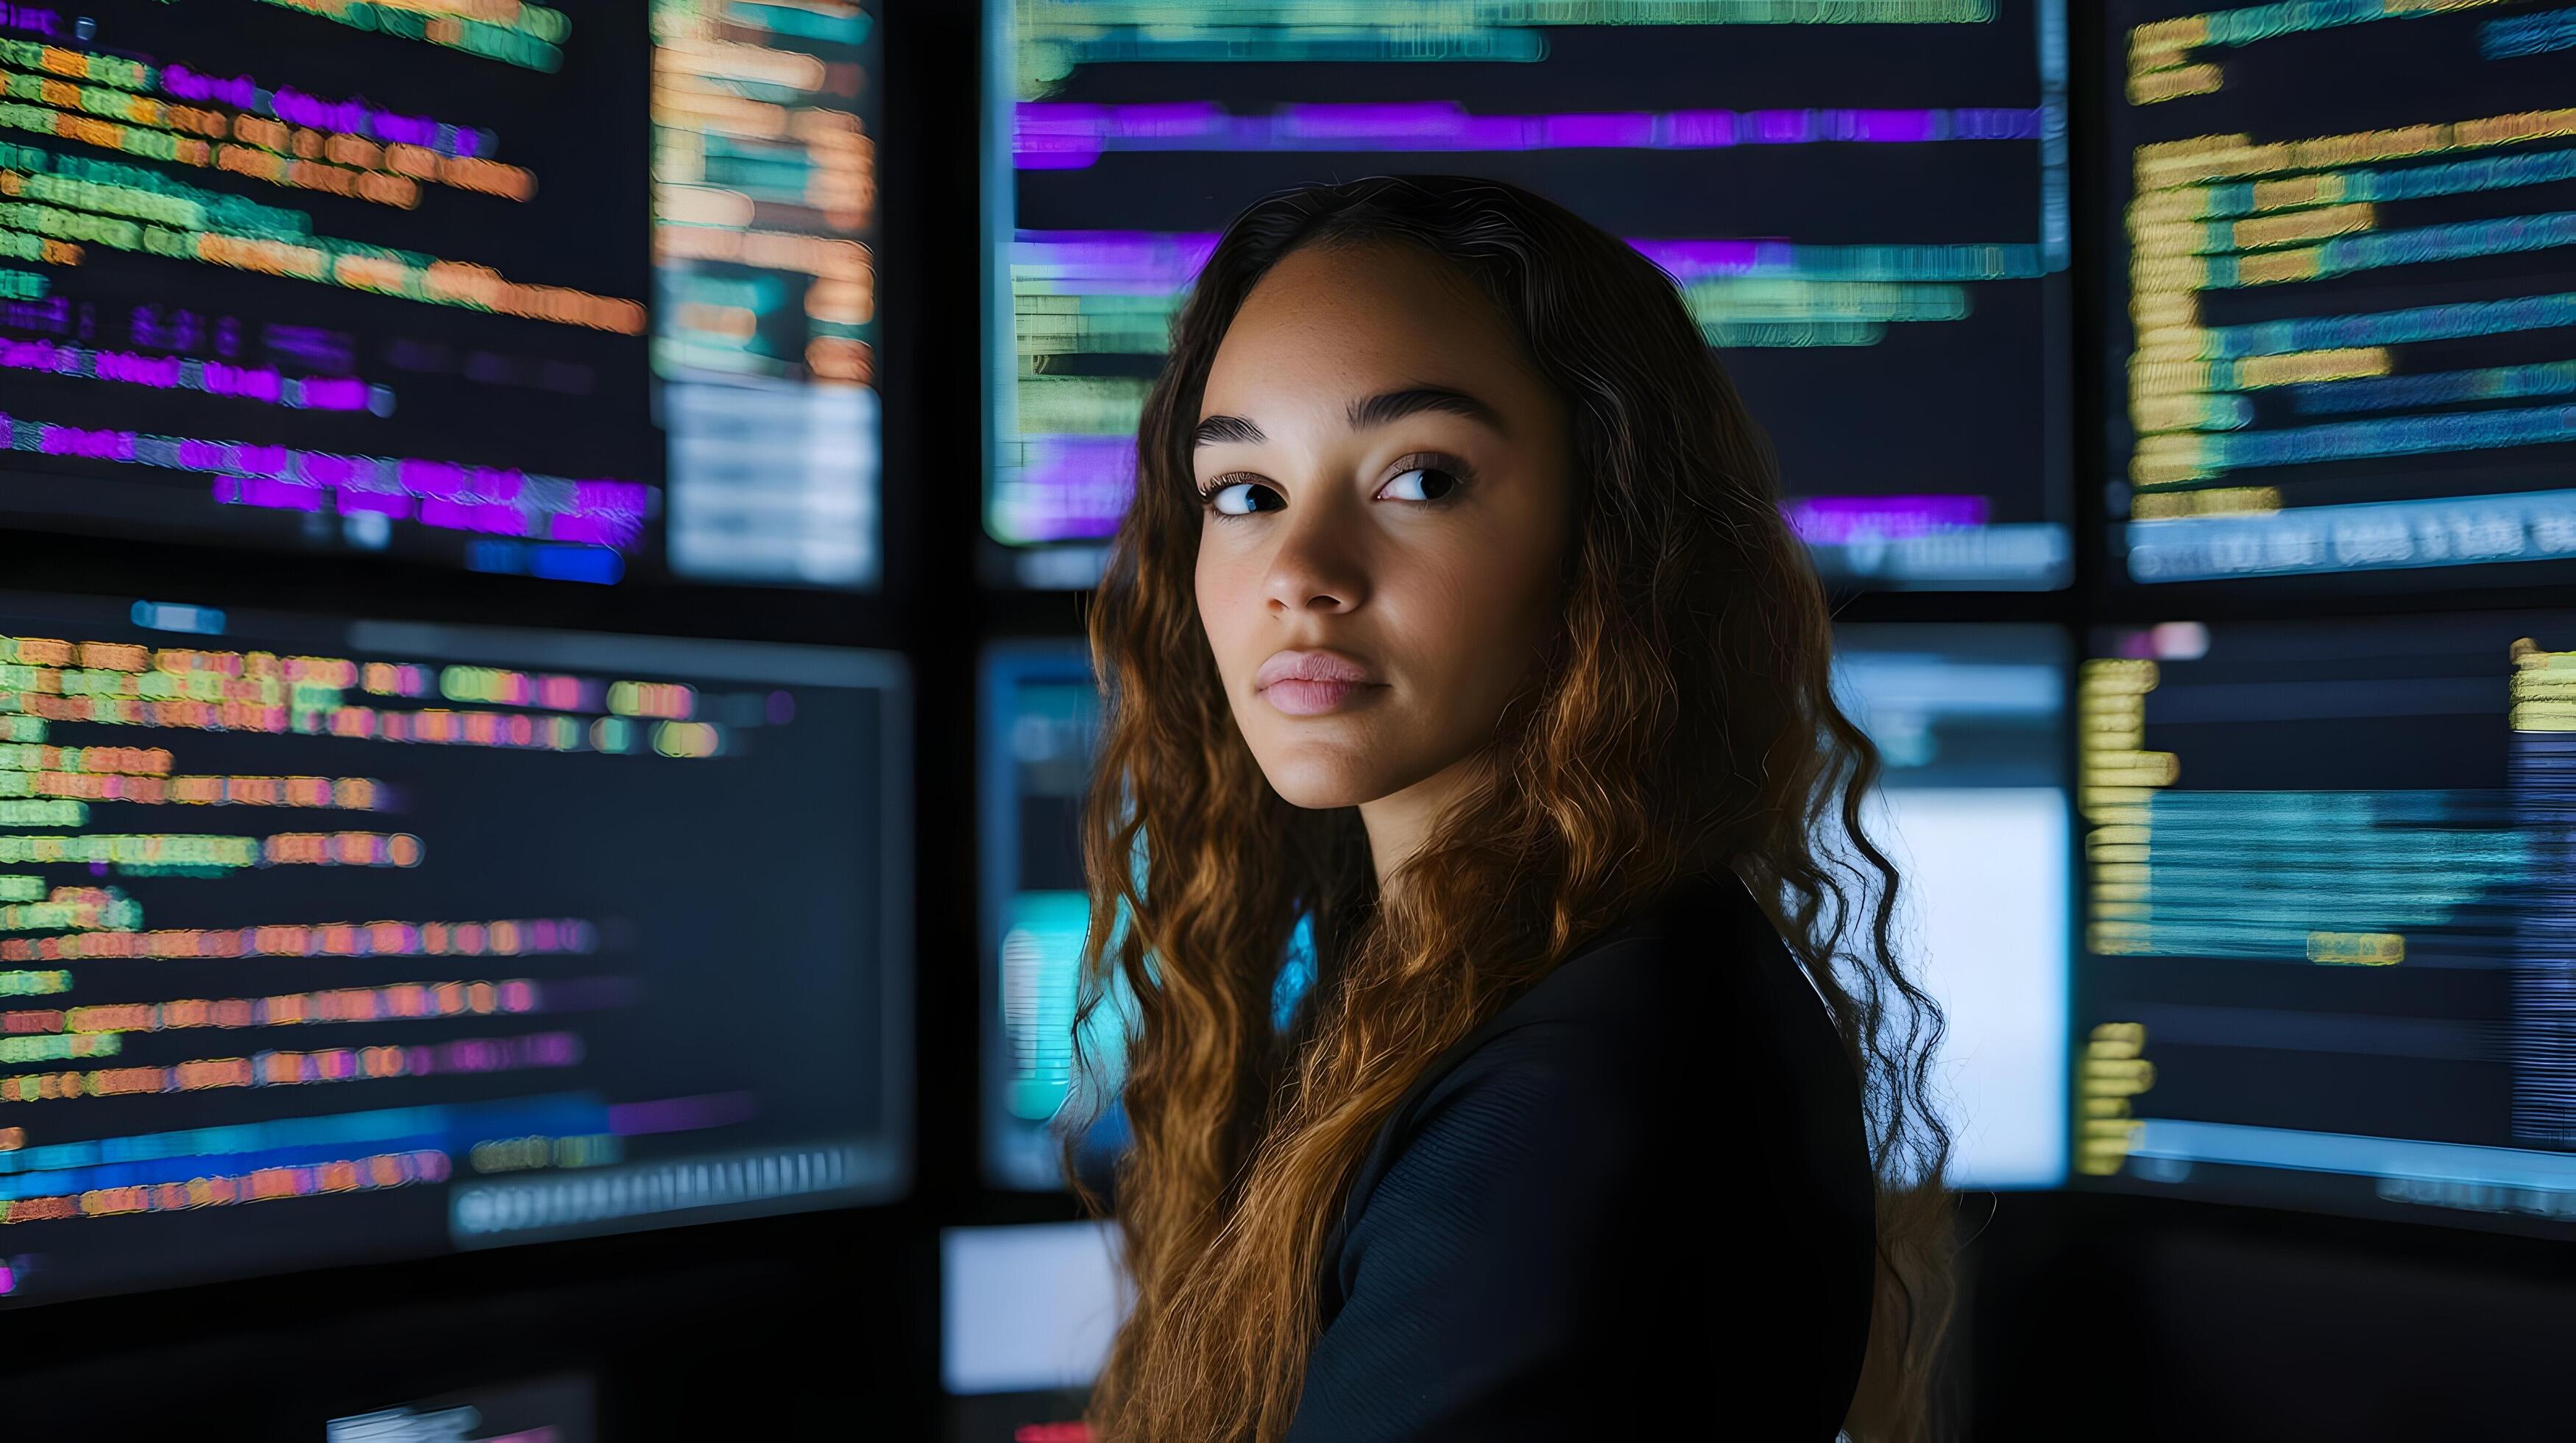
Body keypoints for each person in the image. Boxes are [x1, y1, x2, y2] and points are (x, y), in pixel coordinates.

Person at [1062, 174, 1953, 1442]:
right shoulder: (1475, 977)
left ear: (1610, 531)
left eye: (1419, 478)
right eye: (1246, 494)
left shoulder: (1573, 1084)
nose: (1300, 575)